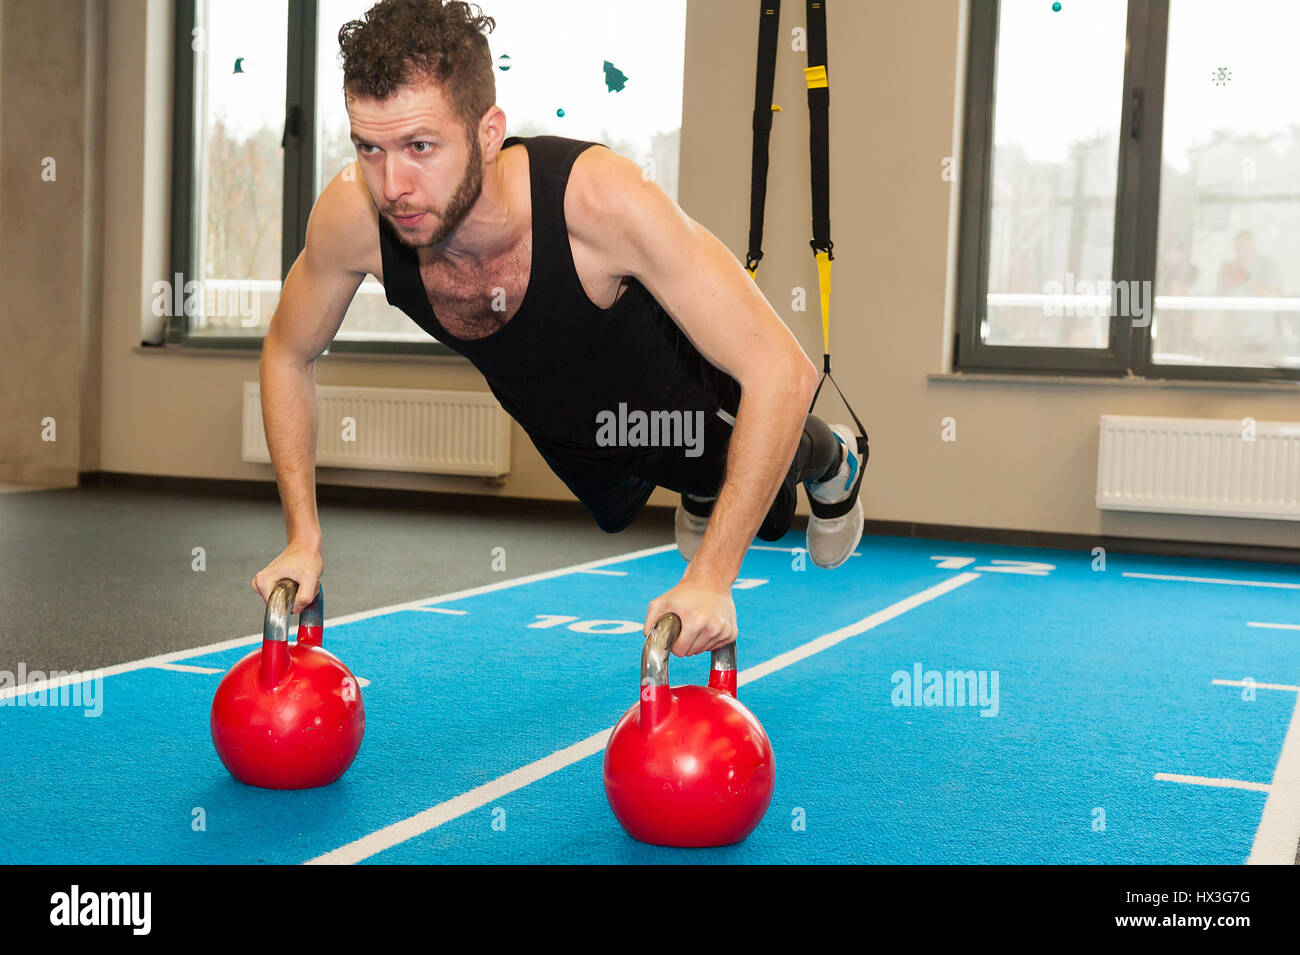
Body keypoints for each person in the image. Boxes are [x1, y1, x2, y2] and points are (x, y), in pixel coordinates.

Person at [251, 0, 865, 657]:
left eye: (420, 146)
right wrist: (301, 535)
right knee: (620, 508)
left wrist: (712, 576)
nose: (393, 184)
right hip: (568, 436)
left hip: (675, 397)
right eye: (369, 147)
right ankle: (701, 482)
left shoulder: (598, 200)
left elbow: (781, 368)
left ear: (489, 133)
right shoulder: (352, 218)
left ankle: (838, 459)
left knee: (740, 474)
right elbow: (288, 353)